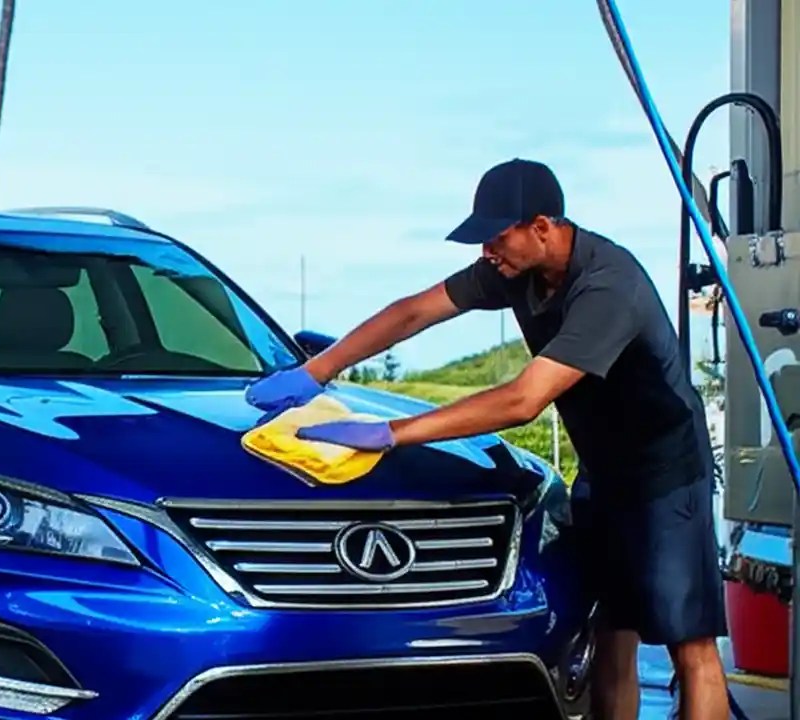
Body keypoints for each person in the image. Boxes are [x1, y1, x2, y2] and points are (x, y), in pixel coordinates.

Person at [245, 158, 729, 720]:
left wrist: (390, 433)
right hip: (602, 470)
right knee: (610, 632)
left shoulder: (608, 286)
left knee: (688, 645)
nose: (486, 253)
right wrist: (317, 371)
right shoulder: (514, 271)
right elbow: (413, 313)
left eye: (497, 237)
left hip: (666, 473)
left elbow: (524, 399)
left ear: (543, 226)